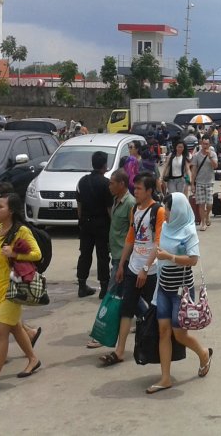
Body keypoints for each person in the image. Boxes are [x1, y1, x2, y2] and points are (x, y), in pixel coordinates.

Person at [0, 192, 41, 395]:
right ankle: (33, 359)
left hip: (13, 289)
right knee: (14, 327)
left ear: (11, 211)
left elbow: (37, 254)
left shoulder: (20, 230)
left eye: (1, 207)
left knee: (2, 333)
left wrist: (15, 253)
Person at [146, 192, 213, 394]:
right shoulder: (166, 226)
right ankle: (165, 378)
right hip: (164, 286)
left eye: (168, 208)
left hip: (181, 290)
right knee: (163, 332)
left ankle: (203, 354)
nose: (164, 212)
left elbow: (193, 260)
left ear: (177, 211)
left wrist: (170, 257)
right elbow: (158, 247)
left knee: (179, 334)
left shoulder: (189, 231)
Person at [100, 172, 164, 364]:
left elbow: (158, 243)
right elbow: (131, 238)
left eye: (138, 188)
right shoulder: (135, 209)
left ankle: (162, 347)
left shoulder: (158, 211)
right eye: (134, 188)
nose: (134, 191)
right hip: (133, 267)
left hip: (151, 271)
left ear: (149, 191)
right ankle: (119, 351)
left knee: (157, 312)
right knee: (126, 309)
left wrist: (146, 268)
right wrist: (121, 264)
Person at [76, 151, 112, 298]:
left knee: (85, 254)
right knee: (103, 256)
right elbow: (110, 209)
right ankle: (104, 289)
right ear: (105, 166)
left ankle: (82, 286)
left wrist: (81, 220)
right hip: (102, 223)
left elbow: (79, 205)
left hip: (85, 223)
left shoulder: (82, 181)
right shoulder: (106, 184)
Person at [190, 137, 218, 231]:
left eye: (207, 144)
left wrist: (210, 156)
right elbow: (193, 170)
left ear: (209, 145)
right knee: (201, 204)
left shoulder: (213, 154)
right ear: (201, 144)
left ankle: (207, 216)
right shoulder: (196, 155)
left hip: (209, 182)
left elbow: (215, 166)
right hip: (199, 182)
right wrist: (192, 184)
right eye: (204, 143)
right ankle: (203, 222)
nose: (205, 146)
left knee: (209, 203)